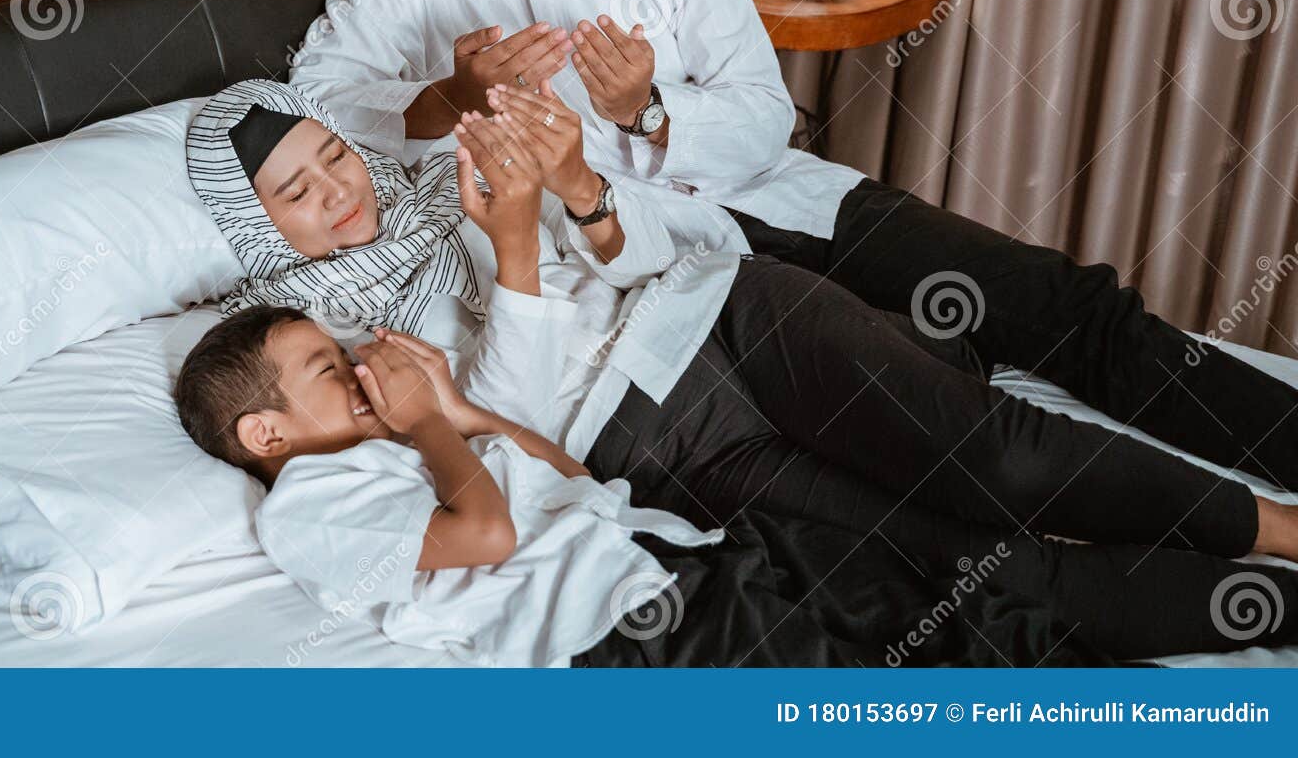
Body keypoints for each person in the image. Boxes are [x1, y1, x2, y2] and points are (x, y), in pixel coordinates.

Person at [285, 0, 1298, 563]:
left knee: (1068, 308)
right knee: (946, 444)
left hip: (785, 204)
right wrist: (449, 90)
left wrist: (647, 109)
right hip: (661, 278)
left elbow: (767, 112)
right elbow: (315, 97)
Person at [180, 78, 1298, 662]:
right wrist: (515, 251)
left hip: (721, 313)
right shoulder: (308, 344)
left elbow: (654, 247)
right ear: (258, 223)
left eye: (333, 153)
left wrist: (576, 194)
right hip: (662, 454)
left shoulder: (452, 177)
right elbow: (506, 437)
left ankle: (1286, 528)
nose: (339, 190)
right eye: (299, 191)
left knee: (1006, 456)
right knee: (967, 566)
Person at [175, 303, 1115, 667]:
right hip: (628, 626)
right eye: (325, 369)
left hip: (686, 553)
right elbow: (489, 538)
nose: (355, 368)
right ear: (267, 432)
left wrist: (458, 413)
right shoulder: (307, 511)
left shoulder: (413, 441)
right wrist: (422, 424)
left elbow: (574, 475)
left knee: (953, 616)